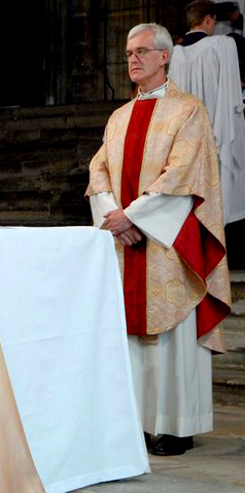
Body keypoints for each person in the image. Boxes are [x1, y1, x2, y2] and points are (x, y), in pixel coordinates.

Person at [86, 23, 232, 457]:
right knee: (130, 338)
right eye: (129, 52)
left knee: (172, 337)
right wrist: (116, 219)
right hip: (127, 239)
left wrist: (132, 216)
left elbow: (186, 173)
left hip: (171, 240)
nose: (132, 59)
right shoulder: (119, 117)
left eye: (142, 51)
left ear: (165, 57)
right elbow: (99, 170)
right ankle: (136, 422)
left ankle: (175, 426)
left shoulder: (188, 111)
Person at [172, 0, 245, 225]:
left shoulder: (175, 54)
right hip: (220, 127)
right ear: (208, 19)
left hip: (189, 133)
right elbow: (233, 96)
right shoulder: (223, 45)